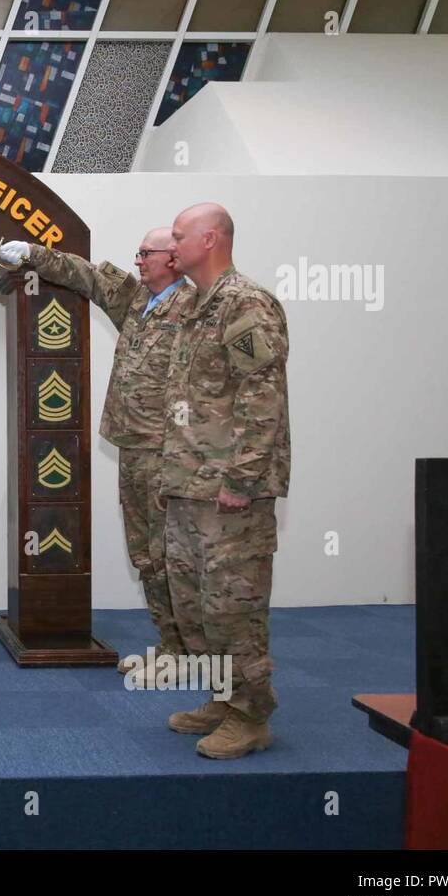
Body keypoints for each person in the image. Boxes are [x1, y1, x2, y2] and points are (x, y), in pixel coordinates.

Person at [0, 231, 195, 685]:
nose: (138, 260)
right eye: (139, 251)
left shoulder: (194, 309)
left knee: (175, 557)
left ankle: (192, 654)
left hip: (173, 453)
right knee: (146, 555)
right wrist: (32, 255)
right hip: (135, 448)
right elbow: (85, 275)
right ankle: (170, 647)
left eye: (147, 253)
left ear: (175, 259)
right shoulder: (139, 302)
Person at [162, 202, 291, 759]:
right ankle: (223, 697)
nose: (171, 245)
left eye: (178, 235)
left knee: (232, 606)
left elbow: (262, 398)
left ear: (209, 239)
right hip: (189, 484)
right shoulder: (192, 303)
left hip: (229, 492)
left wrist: (241, 478)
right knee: (192, 604)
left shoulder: (245, 305)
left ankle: (251, 714)